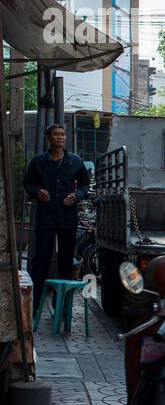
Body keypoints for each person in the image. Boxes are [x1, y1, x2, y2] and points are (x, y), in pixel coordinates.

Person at [23, 124, 92, 310]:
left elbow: (86, 187)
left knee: (66, 262)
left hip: (68, 219)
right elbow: (28, 184)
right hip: (46, 217)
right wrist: (38, 192)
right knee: (41, 260)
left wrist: (76, 196)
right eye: (56, 134)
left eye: (62, 134)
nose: (60, 137)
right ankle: (34, 305)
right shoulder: (39, 161)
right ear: (49, 138)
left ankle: (61, 307)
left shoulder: (76, 161)